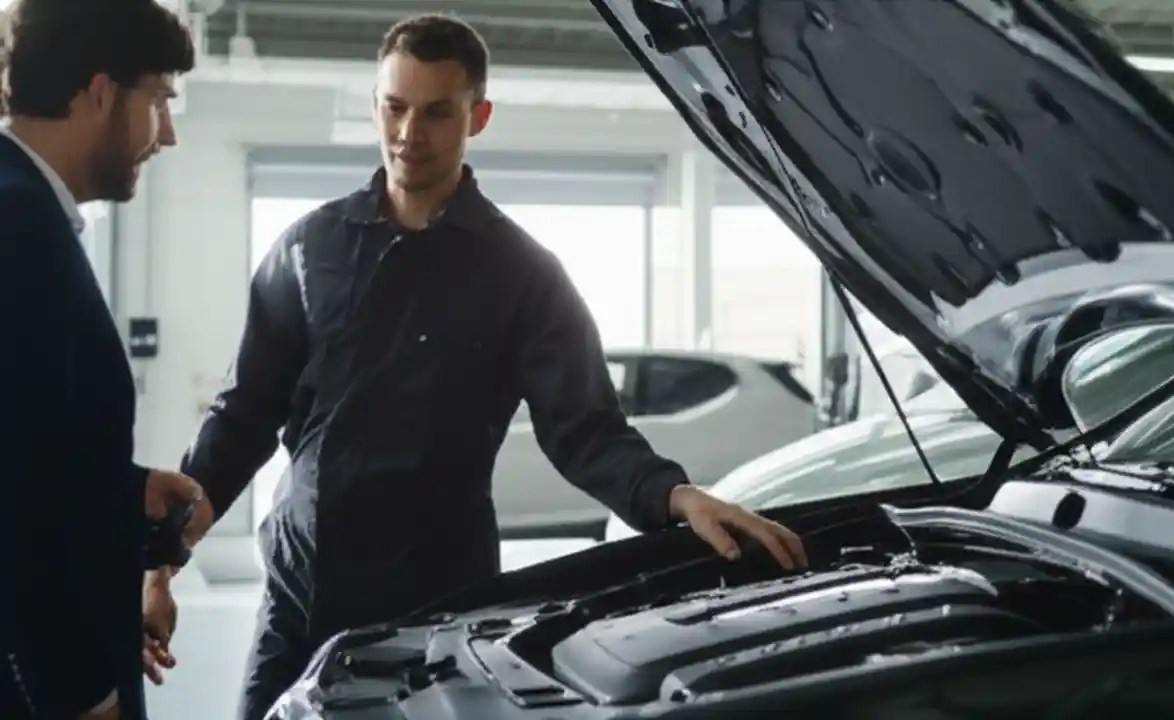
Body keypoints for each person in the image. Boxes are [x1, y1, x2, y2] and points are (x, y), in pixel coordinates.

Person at [166, 14, 808, 719]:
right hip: (298, 590)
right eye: (395, 107)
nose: (410, 133)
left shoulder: (523, 274)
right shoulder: (307, 246)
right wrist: (163, 553)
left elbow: (586, 432)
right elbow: (245, 414)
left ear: (479, 115)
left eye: (438, 112)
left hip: (436, 604)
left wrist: (679, 497)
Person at [0, 2, 213, 719]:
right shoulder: (18, 227)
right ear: (100, 93)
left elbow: (31, 449)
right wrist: (79, 689)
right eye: (161, 100)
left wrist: (127, 491)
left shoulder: (28, 213)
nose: (169, 133)